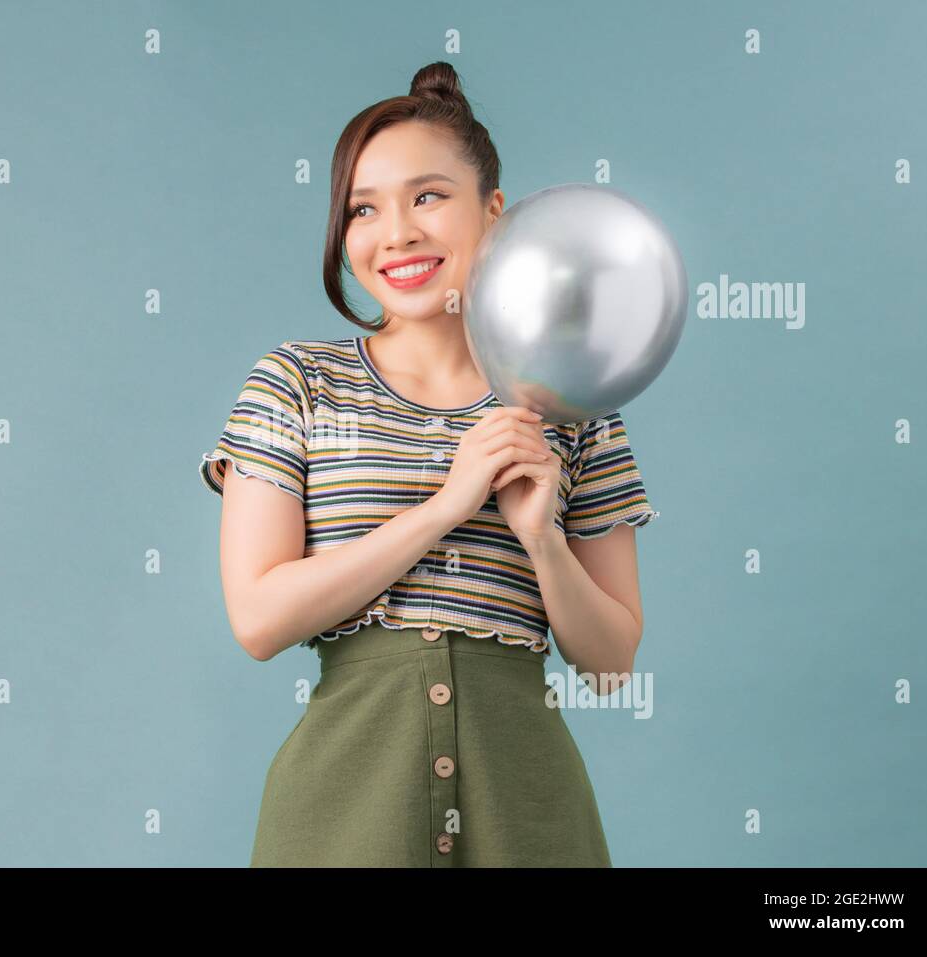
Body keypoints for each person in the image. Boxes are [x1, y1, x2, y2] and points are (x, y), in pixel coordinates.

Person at [197, 61, 659, 867]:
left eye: (428, 196)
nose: (397, 233)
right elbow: (259, 618)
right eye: (363, 209)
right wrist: (446, 505)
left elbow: (614, 664)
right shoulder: (297, 384)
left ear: (495, 211)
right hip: (341, 821)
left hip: (531, 820)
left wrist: (542, 539)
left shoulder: (572, 402)